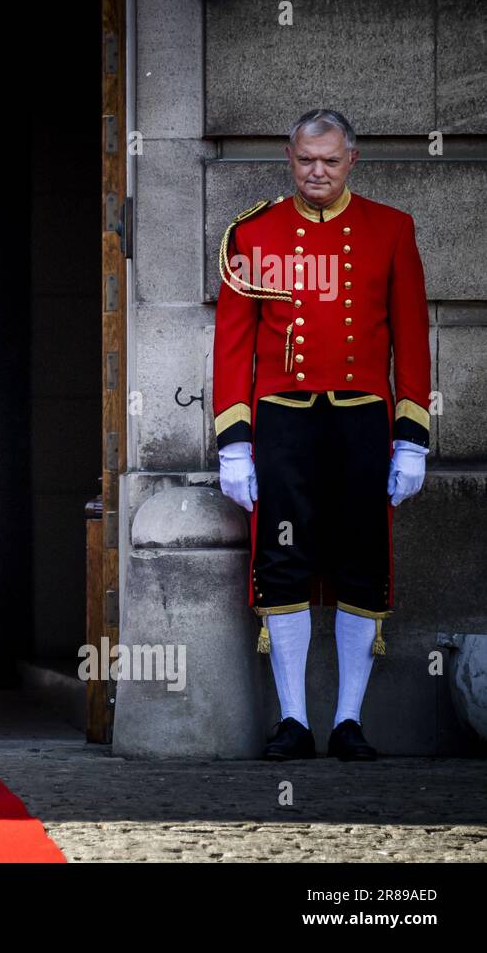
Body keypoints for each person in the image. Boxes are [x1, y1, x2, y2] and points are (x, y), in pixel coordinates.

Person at [212, 108, 431, 762]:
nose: (316, 171)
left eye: (329, 161)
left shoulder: (391, 229)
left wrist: (412, 434)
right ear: (290, 155)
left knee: (363, 561)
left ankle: (348, 721)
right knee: (282, 562)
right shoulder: (254, 233)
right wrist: (234, 441)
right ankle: (293, 721)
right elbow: (233, 345)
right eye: (306, 159)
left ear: (352, 161)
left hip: (362, 421)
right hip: (283, 420)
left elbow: (412, 340)